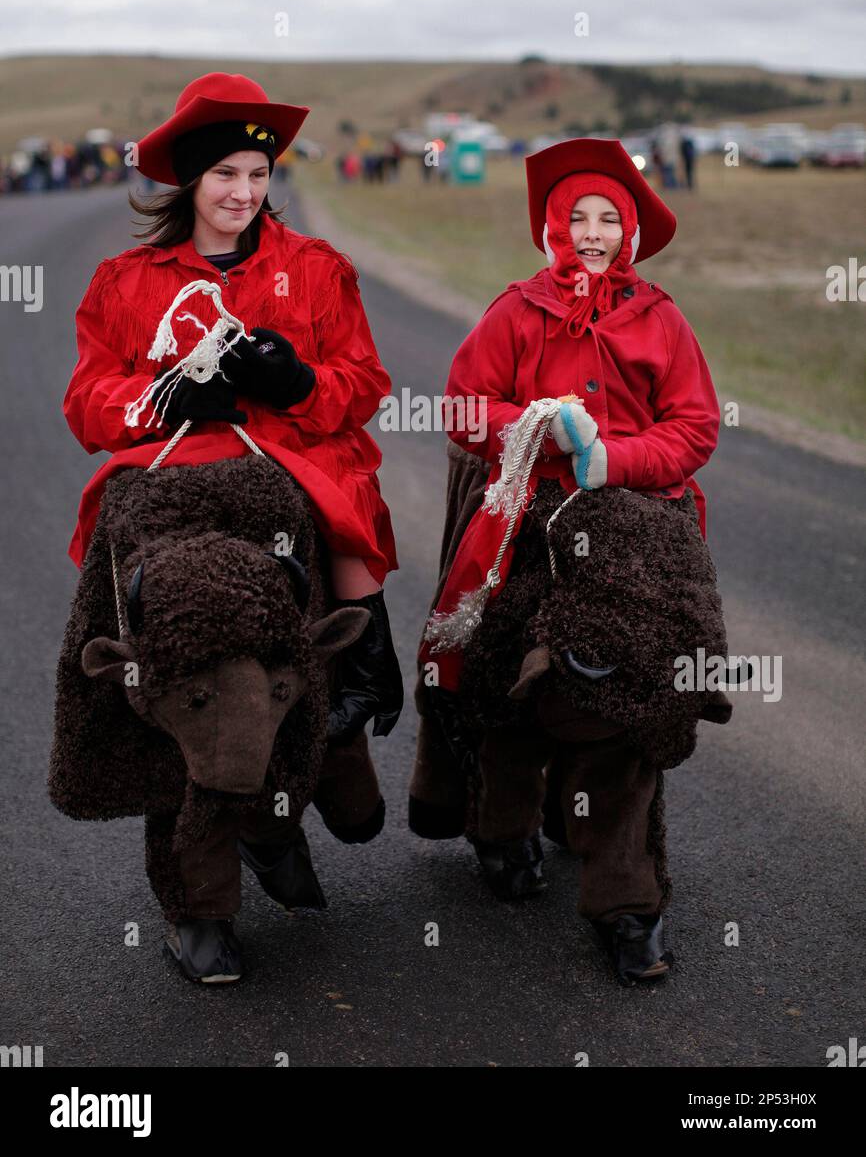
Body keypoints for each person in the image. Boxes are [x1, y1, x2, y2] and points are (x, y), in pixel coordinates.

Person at [62, 72, 404, 975]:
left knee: (320, 553)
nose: (243, 193)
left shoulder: (318, 269)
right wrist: (163, 393)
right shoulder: (126, 282)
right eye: (226, 175)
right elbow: (88, 404)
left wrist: (298, 384)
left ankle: (342, 719)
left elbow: (362, 386)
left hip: (286, 462)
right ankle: (196, 906)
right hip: (167, 471)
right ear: (189, 182)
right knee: (164, 654)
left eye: (258, 174)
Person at [409, 138, 720, 984]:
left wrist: (614, 460)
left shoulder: (660, 316)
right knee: (504, 667)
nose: (591, 232)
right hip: (528, 505)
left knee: (632, 681)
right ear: (550, 228)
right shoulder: (515, 310)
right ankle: (502, 828)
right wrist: (540, 427)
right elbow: (463, 405)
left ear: (629, 232)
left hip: (630, 511)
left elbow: (695, 428)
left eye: (607, 219)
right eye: (575, 217)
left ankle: (625, 897)